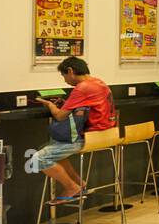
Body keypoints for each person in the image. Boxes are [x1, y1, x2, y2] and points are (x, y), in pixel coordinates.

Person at [33, 56, 116, 203]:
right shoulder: (99, 82)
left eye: (64, 76)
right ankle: (80, 183)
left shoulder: (82, 88)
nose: (65, 81)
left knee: (38, 158)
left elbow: (59, 116)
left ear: (70, 71)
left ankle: (72, 187)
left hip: (88, 137)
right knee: (50, 147)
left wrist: (49, 105)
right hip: (106, 133)